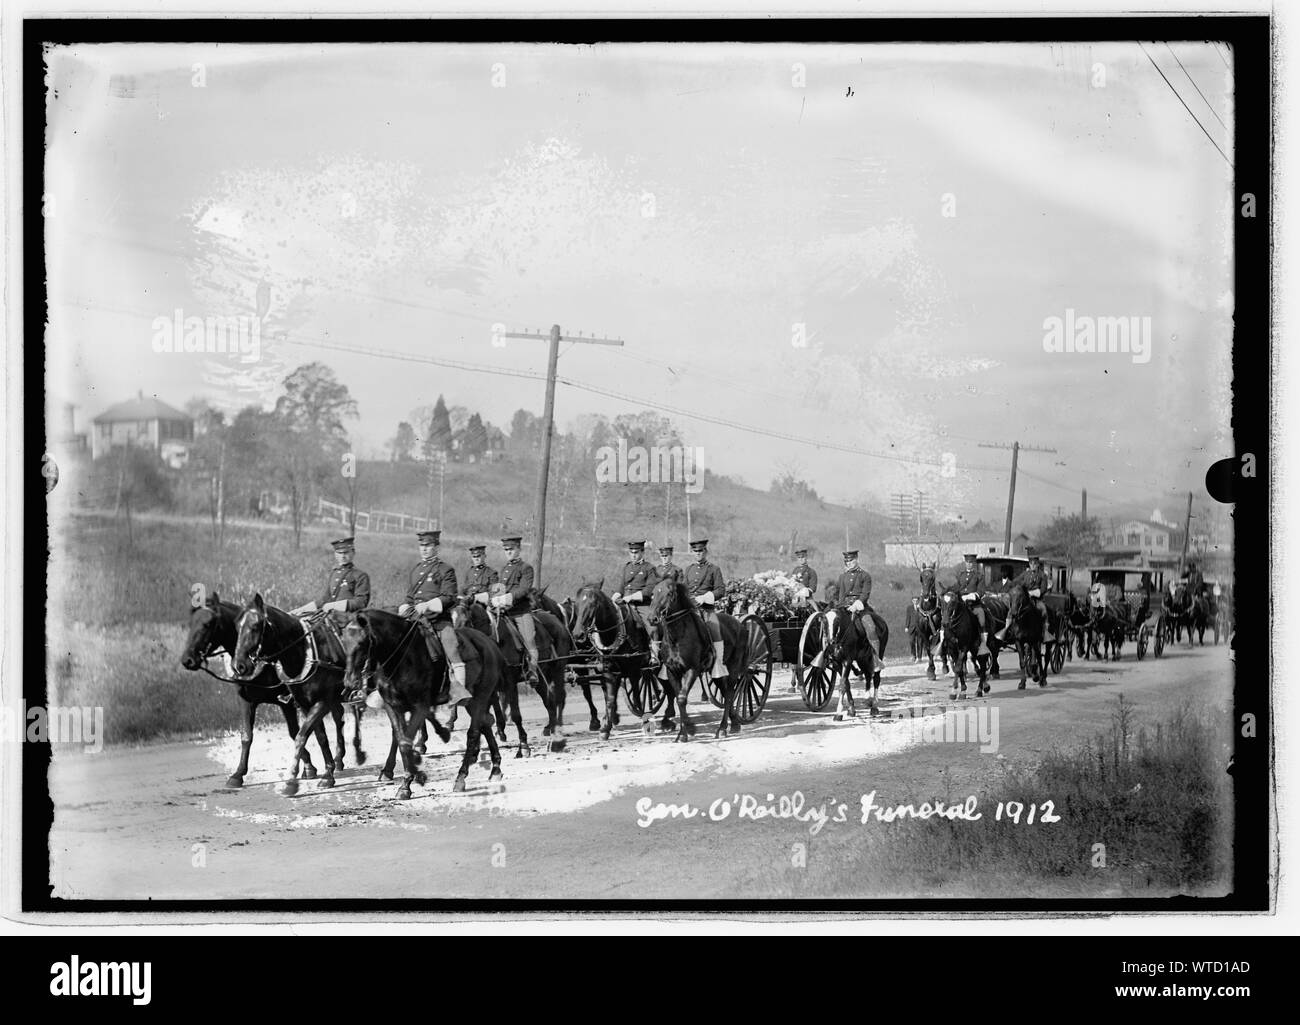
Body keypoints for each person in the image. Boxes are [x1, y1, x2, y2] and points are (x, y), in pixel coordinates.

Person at [289, 536, 372, 702]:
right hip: (330, 619)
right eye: (339, 553)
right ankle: (300, 685)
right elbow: (323, 601)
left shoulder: (360, 576)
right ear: (335, 555)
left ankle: (356, 687)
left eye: (346, 552)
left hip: (349, 621)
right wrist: (300, 610)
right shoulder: (334, 574)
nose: (343, 556)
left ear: (353, 553)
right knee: (307, 638)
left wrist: (335, 606)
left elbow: (361, 601)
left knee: (354, 648)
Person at [396, 530, 469, 706]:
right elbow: (410, 597)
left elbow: (449, 596)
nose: (424, 549)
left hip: (439, 621)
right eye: (422, 546)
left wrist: (429, 604)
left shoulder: (446, 570)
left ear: (437, 547)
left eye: (428, 546)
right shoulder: (415, 570)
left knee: (451, 648)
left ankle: (459, 691)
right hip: (416, 620)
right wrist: (405, 606)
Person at [494, 536, 540, 681]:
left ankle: (533, 672)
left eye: (511, 549)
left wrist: (507, 598)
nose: (508, 552)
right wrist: (494, 598)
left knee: (529, 640)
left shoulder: (526, 568)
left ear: (518, 549)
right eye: (506, 549)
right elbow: (500, 588)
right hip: (504, 612)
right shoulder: (504, 569)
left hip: (520, 612)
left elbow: (524, 589)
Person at [684, 539, 728, 679]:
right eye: (695, 551)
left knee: (715, 629)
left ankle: (718, 665)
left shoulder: (713, 569)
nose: (698, 554)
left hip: (706, 609)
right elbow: (684, 589)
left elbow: (720, 590)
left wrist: (704, 598)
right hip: (690, 609)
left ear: (705, 551)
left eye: (700, 551)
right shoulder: (689, 569)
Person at [613, 540, 659, 665]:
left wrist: (632, 597)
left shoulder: (649, 568)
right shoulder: (627, 567)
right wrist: (615, 596)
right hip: (625, 603)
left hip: (641, 604)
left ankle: (655, 656)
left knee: (652, 627)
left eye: (636, 552)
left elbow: (649, 589)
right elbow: (621, 586)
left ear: (642, 552)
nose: (633, 555)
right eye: (631, 552)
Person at [999, 547, 1054, 642]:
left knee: (1044, 610)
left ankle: (1045, 632)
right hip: (1024, 599)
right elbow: (1016, 582)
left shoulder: (1042, 575)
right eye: (1031, 563)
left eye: (1035, 564)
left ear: (1037, 564)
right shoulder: (1025, 574)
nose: (1033, 565)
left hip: (1037, 600)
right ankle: (1007, 630)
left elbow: (1043, 589)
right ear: (1029, 564)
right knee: (1011, 611)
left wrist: (1034, 592)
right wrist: (1008, 583)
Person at [836, 549, 883, 659]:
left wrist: (857, 604)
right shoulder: (842, 577)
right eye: (847, 561)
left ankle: (875, 659)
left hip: (861, 607)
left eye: (851, 561)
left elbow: (865, 594)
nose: (849, 563)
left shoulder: (865, 576)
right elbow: (841, 595)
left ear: (857, 560)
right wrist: (842, 606)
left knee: (871, 628)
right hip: (846, 607)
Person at [954, 551, 991, 655]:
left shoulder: (979, 575)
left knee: (982, 618)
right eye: (967, 562)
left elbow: (981, 590)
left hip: (974, 605)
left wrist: (973, 596)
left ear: (974, 563)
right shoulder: (961, 575)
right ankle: (945, 640)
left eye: (971, 562)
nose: (969, 564)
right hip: (962, 604)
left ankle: (984, 644)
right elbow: (957, 587)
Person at [904, 596, 923, 661]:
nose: (915, 601)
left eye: (916, 600)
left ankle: (919, 657)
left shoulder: (921, 608)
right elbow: (908, 617)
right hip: (911, 627)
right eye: (914, 600)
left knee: (919, 642)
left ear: (918, 601)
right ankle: (913, 655)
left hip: (920, 628)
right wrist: (906, 626)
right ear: (912, 601)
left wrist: (919, 609)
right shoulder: (909, 608)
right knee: (911, 641)